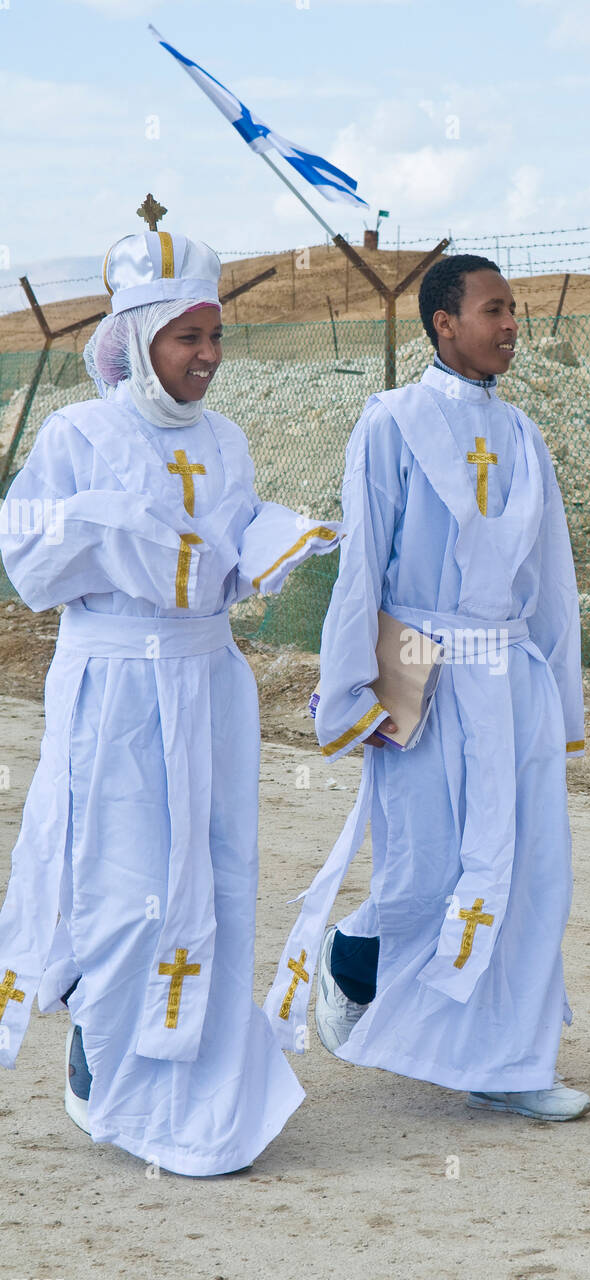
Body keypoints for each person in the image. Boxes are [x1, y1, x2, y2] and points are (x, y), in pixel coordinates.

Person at [0, 227, 341, 1175]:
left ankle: (201, 1075)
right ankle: (107, 1070)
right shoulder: (80, 435)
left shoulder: (224, 439)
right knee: (125, 882)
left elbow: (229, 546)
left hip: (207, 681)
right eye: (188, 338)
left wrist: (282, 535)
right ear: (141, 336)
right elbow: (25, 557)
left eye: (216, 338)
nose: (207, 359)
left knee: (215, 873)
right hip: (116, 687)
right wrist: (110, 525)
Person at [266, 254, 590, 1121]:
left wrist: (560, 697)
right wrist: (354, 687)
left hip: (512, 681)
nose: (512, 324)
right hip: (426, 676)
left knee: (528, 872)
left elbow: (551, 576)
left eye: (515, 308)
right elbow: (364, 561)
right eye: (494, 310)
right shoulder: (392, 423)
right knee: (424, 872)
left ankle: (507, 1060)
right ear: (444, 323)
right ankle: (352, 959)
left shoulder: (523, 435)